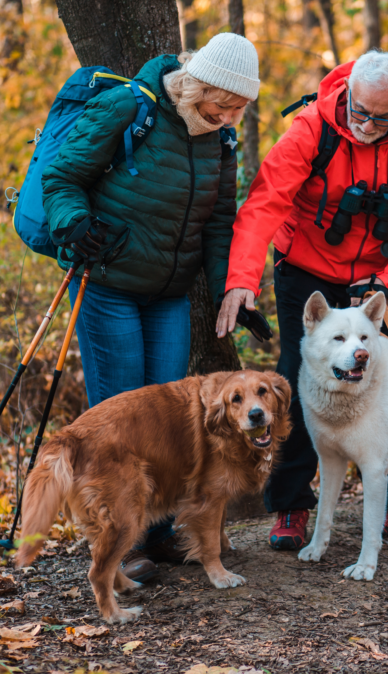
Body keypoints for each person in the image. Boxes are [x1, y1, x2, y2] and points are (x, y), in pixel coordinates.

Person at [41, 33, 261, 583]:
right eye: (224, 103)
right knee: (120, 419)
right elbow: (61, 175)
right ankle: (117, 539)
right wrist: (73, 224)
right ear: (197, 87)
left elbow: (218, 226)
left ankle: (159, 532)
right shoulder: (130, 107)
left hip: (169, 294)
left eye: (239, 108)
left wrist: (234, 288)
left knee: (169, 422)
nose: (230, 116)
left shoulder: (221, 140)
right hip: (107, 284)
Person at [217, 50, 388, 551]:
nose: (366, 124)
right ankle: (291, 506)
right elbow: (263, 206)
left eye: (381, 117)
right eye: (360, 112)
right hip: (308, 273)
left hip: (381, 281)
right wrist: (242, 278)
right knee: (297, 379)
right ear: (349, 95)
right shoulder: (312, 126)